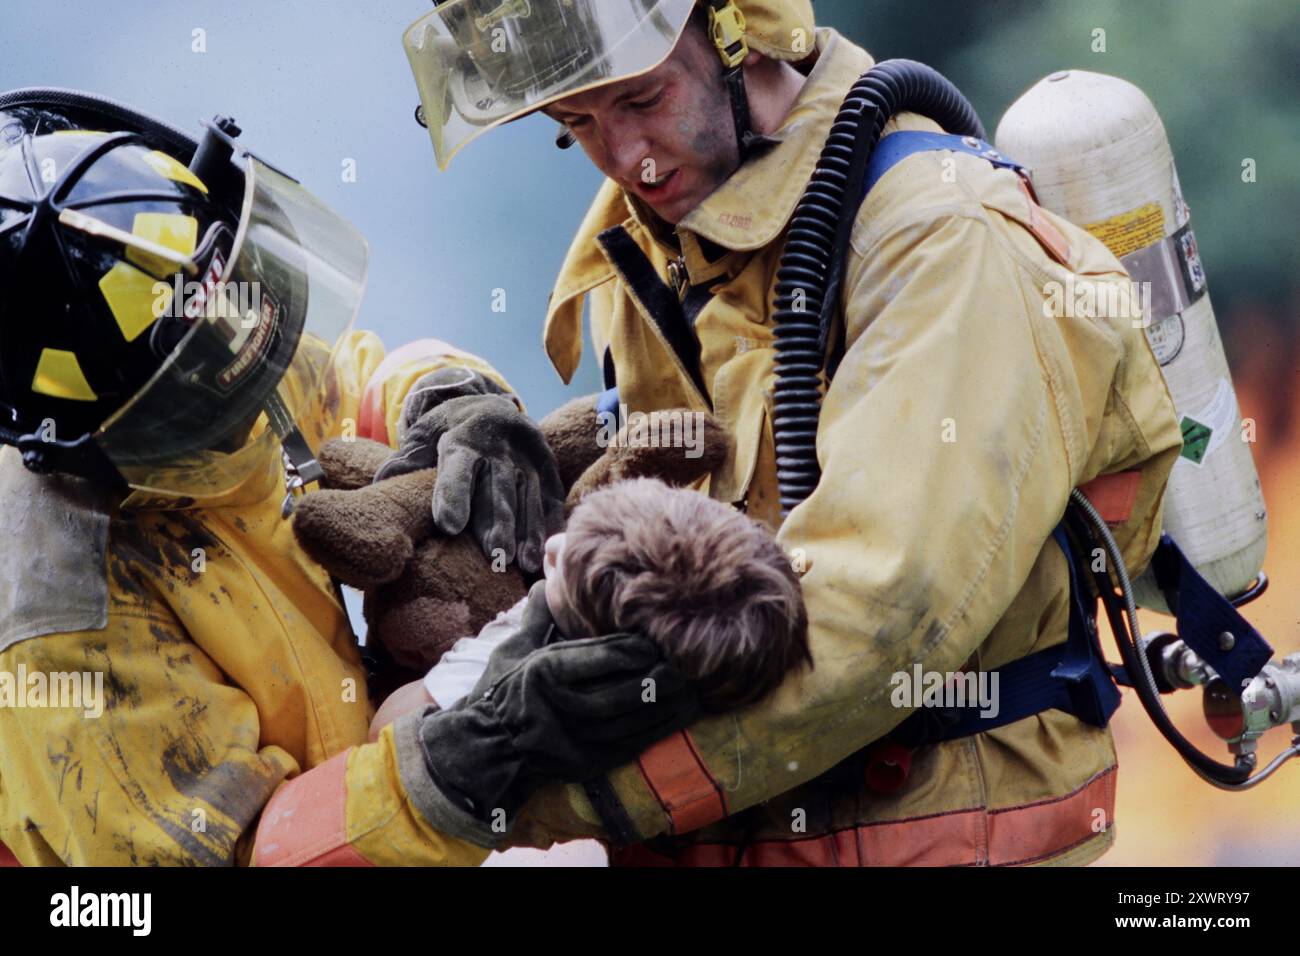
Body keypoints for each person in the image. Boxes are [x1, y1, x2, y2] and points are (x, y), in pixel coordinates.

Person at [389, 0, 1185, 866]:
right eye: (576, 123)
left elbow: (871, 620)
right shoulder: (656, 243)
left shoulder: (939, 240)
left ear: (743, 35)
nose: (625, 159)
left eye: (644, 101)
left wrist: (503, 782)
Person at [0, 90, 698, 866]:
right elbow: (223, 859)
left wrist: (449, 397)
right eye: (204, 396)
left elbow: (349, 380)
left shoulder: (211, 331)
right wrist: (452, 763)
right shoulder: (58, 621)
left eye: (239, 315)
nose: (251, 383)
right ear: (82, 442)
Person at [369, 476, 812, 737]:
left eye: (560, 567)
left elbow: (386, 730)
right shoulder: (708, 683)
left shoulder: (514, 663)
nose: (552, 543)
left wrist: (514, 626)